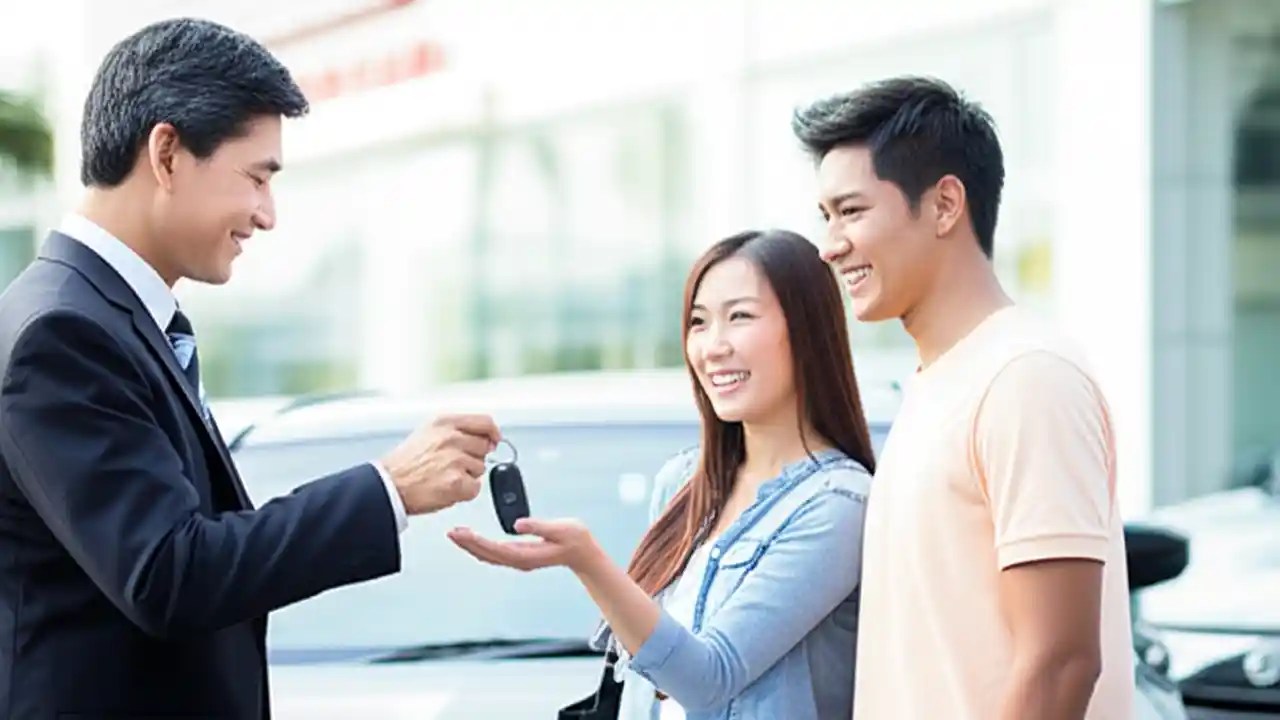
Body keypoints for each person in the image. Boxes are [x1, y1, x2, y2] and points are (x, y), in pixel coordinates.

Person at [0, 18, 500, 719]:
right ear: (167, 154)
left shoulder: (103, 316)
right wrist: (389, 489)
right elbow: (170, 572)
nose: (267, 215)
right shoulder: (63, 332)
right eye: (257, 177)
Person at [791, 75, 1135, 720]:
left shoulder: (1026, 377)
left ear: (945, 204)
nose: (830, 246)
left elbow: (1061, 661)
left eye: (852, 211)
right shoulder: (940, 384)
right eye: (826, 217)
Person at [449, 229, 877, 720]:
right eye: (699, 322)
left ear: (806, 330)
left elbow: (709, 678)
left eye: (739, 317)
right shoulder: (684, 482)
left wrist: (586, 561)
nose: (712, 347)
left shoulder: (838, 503)